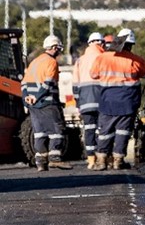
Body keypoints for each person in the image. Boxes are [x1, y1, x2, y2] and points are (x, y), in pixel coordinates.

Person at [89, 28, 145, 171]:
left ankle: (102, 161)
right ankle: (118, 162)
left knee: (105, 132)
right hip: (127, 102)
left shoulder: (102, 58)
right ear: (130, 45)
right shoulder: (136, 60)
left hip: (108, 101)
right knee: (123, 131)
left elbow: (93, 75)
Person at [22, 35, 73, 171]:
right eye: (59, 49)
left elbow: (24, 83)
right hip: (48, 103)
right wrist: (37, 97)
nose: (59, 51)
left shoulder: (35, 62)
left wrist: (27, 99)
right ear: (55, 47)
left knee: (40, 133)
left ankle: (40, 162)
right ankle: (55, 159)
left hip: (34, 106)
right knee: (57, 131)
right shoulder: (51, 62)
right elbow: (48, 83)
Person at [72, 32, 105, 169]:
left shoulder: (80, 60)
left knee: (89, 130)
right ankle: (102, 159)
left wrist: (78, 103)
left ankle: (91, 160)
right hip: (102, 100)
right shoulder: (104, 58)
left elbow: (75, 84)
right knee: (102, 130)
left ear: (89, 43)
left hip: (85, 101)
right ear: (101, 43)